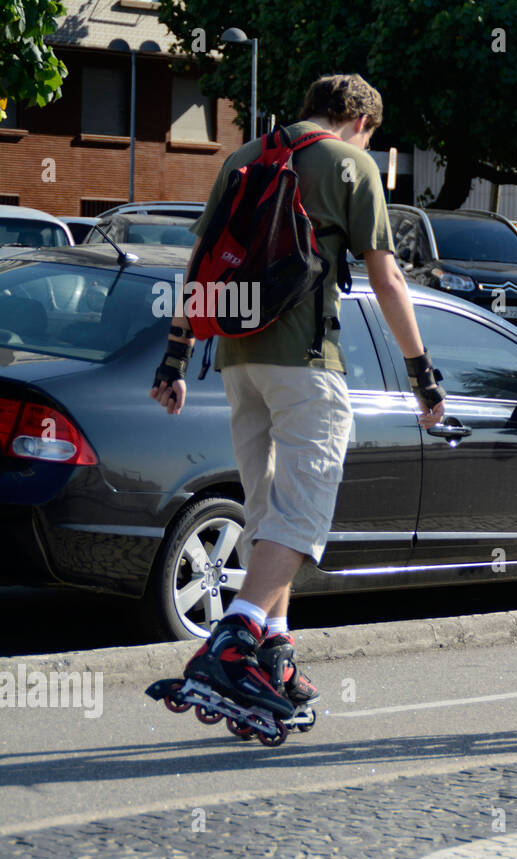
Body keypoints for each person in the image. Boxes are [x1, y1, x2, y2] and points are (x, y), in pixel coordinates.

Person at [149, 74, 445, 719]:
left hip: (236, 360)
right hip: (307, 365)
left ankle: (274, 653)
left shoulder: (242, 158)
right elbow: (387, 275)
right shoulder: (351, 163)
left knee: (267, 512)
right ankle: (233, 639)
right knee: (302, 512)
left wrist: (174, 357)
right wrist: (422, 373)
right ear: (360, 122)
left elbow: (200, 262)